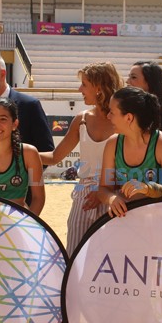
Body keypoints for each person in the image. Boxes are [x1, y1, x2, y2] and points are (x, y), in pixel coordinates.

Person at [40, 62, 121, 250]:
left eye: (84, 84)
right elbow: (55, 157)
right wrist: (20, 152)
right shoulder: (81, 119)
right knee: (75, 252)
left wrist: (103, 191)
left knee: (109, 257)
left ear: (99, 88)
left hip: (115, 197)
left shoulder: (123, 120)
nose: (79, 89)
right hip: (84, 198)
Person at [97, 86, 162, 217]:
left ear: (129, 118)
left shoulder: (161, 143)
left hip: (158, 219)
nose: (108, 116)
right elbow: (103, 189)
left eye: (112, 112)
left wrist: (148, 189)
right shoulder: (113, 144)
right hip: (127, 218)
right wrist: (112, 198)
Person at [126, 60, 162, 153]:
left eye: (133, 77)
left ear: (150, 83)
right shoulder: (123, 116)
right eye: (129, 77)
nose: (127, 81)